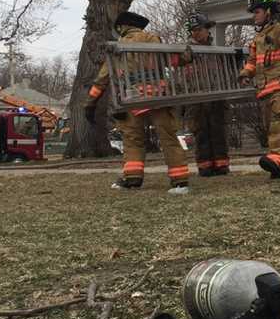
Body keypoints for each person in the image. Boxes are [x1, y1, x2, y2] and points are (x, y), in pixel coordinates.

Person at [84, 10, 191, 194]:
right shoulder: (153, 39)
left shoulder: (117, 47)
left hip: (131, 99)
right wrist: (188, 54)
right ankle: (180, 182)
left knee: (132, 140)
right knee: (168, 138)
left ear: (121, 27)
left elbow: (103, 77)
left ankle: (132, 178)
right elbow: (172, 59)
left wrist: (90, 102)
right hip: (158, 95)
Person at [238, 0, 280, 179]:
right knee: (273, 128)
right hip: (266, 91)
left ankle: (279, 162)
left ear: (268, 12)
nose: (254, 16)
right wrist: (245, 74)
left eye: (257, 11)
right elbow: (252, 61)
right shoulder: (258, 38)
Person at [182, 12, 231, 177]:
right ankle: (205, 167)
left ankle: (222, 165)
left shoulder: (216, 50)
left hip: (216, 95)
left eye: (199, 29)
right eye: (193, 30)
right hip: (196, 98)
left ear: (207, 30)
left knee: (218, 131)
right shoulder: (185, 51)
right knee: (201, 132)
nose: (196, 33)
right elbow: (178, 66)